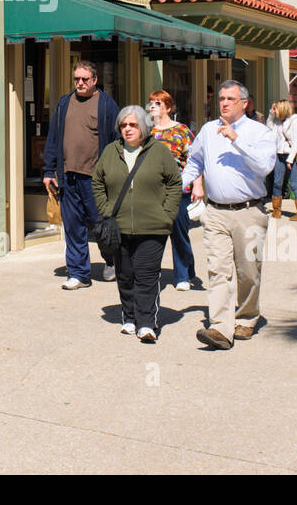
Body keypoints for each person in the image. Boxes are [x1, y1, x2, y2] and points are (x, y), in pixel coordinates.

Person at [181, 80, 278, 351]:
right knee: (218, 270)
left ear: (244, 103)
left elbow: (265, 167)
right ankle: (221, 328)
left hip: (249, 212)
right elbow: (195, 161)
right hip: (216, 212)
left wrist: (237, 141)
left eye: (230, 99)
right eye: (221, 98)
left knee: (248, 272)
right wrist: (181, 183)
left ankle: (246, 317)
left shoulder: (259, 132)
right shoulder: (208, 130)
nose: (223, 103)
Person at [92, 106, 183, 343]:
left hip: (153, 227)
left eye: (132, 125)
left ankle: (147, 323)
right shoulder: (111, 151)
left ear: (143, 127)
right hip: (118, 227)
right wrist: (106, 210)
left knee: (146, 275)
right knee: (125, 275)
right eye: (123, 125)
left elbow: (175, 183)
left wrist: (167, 214)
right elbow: (97, 182)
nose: (127, 129)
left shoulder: (160, 152)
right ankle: (129, 317)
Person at [43, 60, 120, 289]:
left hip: (96, 179)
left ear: (94, 80)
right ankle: (78, 273)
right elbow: (53, 138)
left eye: (84, 79)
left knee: (101, 225)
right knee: (73, 226)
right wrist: (49, 170)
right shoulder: (65, 103)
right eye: (76, 79)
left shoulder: (106, 105)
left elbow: (117, 141)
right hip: (68, 177)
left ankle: (111, 261)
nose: (80, 83)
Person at [147, 90, 197, 291]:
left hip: (178, 189)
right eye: (150, 103)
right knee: (152, 234)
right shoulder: (145, 131)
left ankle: (183, 274)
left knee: (179, 232)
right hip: (152, 191)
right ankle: (149, 273)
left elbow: (194, 160)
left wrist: (198, 185)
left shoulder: (182, 131)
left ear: (168, 107)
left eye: (157, 103)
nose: (152, 106)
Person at [267, 99, 297, 221]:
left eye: (277, 109)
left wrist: (290, 160)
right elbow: (268, 126)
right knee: (277, 183)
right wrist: (271, 112)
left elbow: (296, 142)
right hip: (279, 155)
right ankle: (276, 211)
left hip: (292, 156)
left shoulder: (295, 120)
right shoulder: (278, 122)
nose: (276, 111)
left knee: (294, 184)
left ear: (284, 109)